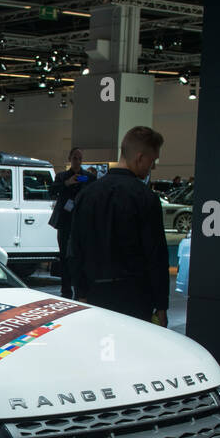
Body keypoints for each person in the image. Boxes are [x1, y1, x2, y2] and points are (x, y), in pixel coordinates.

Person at [67, 126, 169, 326]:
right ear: (140, 158)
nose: (153, 167)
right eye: (152, 160)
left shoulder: (87, 195)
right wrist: (161, 305)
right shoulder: (146, 198)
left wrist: (80, 294)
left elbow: (75, 249)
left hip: (94, 296)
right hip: (136, 299)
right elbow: (156, 255)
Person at [47, 147, 90, 297]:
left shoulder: (87, 177)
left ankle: (80, 288)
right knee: (64, 255)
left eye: (80, 158)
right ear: (70, 159)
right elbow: (51, 191)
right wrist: (67, 183)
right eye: (75, 158)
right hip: (65, 222)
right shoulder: (62, 176)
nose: (77, 161)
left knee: (80, 256)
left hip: (81, 221)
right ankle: (66, 288)